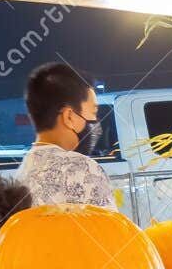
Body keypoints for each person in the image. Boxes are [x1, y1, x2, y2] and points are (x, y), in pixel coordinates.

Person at [17, 62, 115, 209]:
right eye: (94, 113)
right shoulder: (83, 169)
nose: (95, 122)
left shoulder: (22, 171)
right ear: (69, 116)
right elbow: (112, 229)